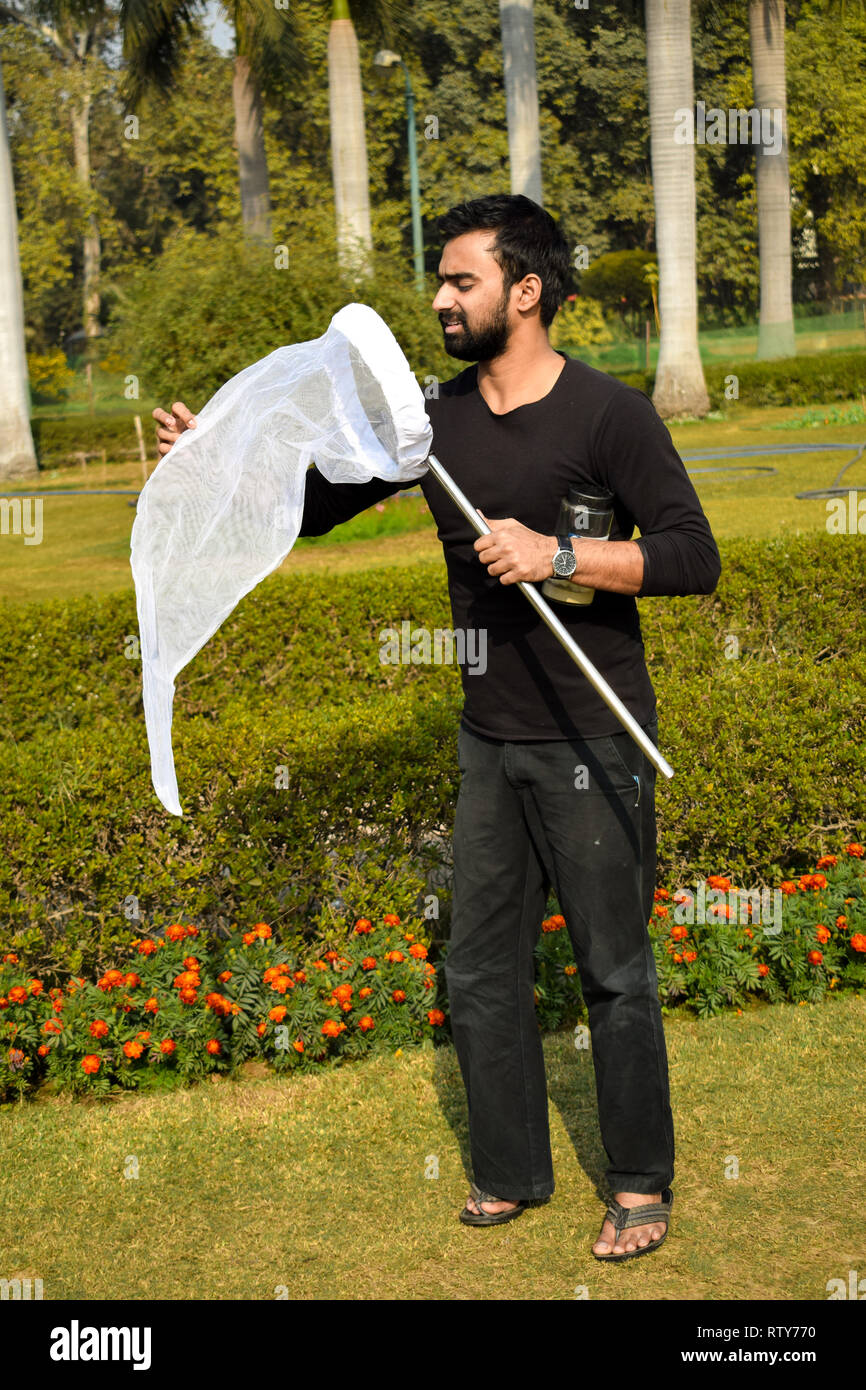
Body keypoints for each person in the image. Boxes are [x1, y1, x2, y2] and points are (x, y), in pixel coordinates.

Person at [153, 193, 721, 1261]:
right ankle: (509, 1172)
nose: (441, 299)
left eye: (462, 281)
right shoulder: (433, 421)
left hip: (594, 737)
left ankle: (639, 1183)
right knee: (479, 969)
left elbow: (693, 555)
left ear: (526, 291)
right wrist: (210, 459)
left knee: (612, 969)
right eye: (441, 281)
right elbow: (315, 504)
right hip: (488, 739)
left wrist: (557, 555)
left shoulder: (610, 415)